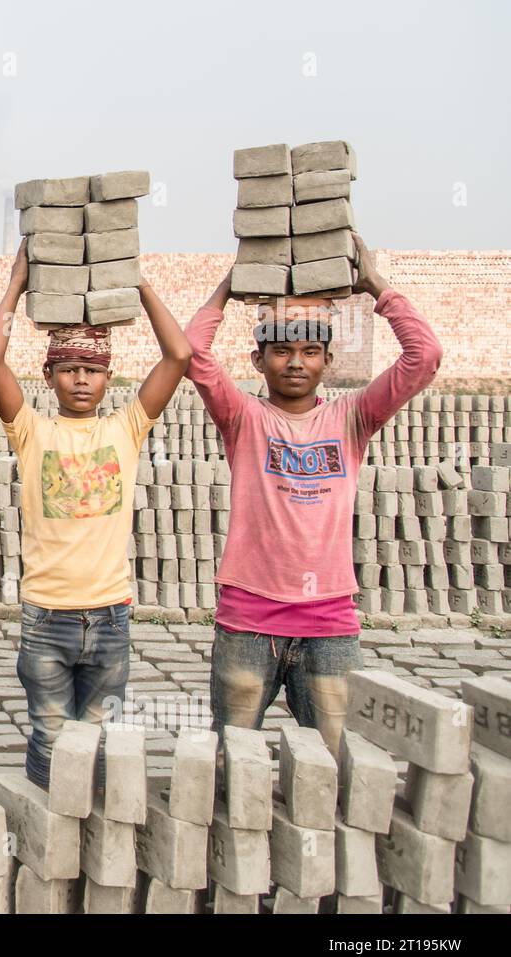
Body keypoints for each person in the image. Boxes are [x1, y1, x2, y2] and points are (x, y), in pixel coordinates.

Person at [185, 233, 442, 757]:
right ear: (259, 362)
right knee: (231, 761)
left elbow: (425, 357)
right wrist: (228, 289)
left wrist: (375, 286)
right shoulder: (244, 418)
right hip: (248, 620)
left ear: (327, 360)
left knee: (333, 767)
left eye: (309, 352)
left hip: (329, 622)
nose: (296, 363)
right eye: (281, 351)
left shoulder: (352, 417)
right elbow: (191, 354)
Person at [0, 239, 193, 790]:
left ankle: (85, 841)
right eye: (69, 368)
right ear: (49, 377)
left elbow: (179, 357)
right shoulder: (32, 432)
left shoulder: (127, 427)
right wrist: (16, 285)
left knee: (95, 739)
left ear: (109, 379)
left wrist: (137, 283)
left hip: (110, 617)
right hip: (45, 617)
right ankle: (47, 833)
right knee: (51, 736)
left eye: (92, 370)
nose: (81, 380)